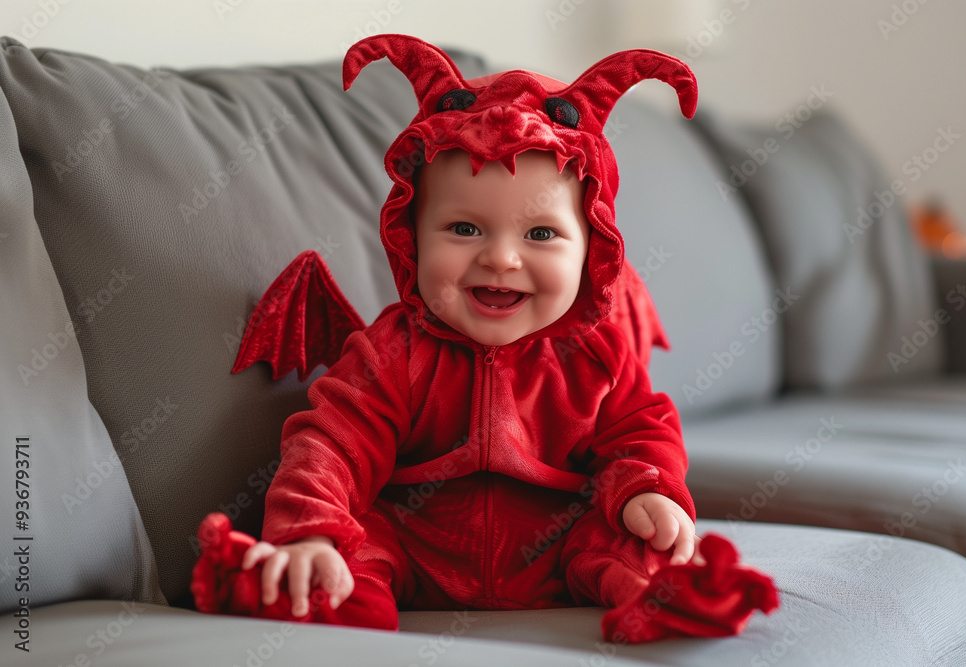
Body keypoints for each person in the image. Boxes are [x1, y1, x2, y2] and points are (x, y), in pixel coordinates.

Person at [192, 34, 777, 643]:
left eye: (542, 235)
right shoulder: (395, 351)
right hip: (417, 546)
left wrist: (647, 491)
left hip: (557, 551)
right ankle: (302, 590)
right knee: (354, 545)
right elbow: (332, 443)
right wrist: (309, 529)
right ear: (410, 240)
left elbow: (641, 430)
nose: (500, 258)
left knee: (627, 540)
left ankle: (667, 596)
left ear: (592, 252)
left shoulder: (597, 351)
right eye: (465, 228)